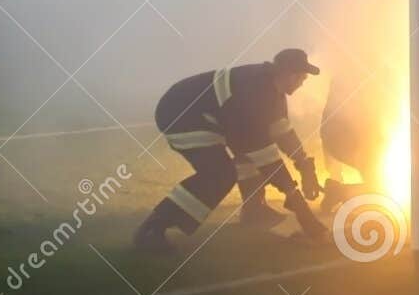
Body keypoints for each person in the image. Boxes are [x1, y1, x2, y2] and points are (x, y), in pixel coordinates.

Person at [133, 48, 329, 253]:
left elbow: (283, 132)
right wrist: (299, 206)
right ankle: (152, 229)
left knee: (246, 157)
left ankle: (254, 210)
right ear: (290, 75)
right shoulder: (255, 93)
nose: (303, 82)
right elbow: (266, 157)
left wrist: (304, 164)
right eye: (303, 77)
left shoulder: (272, 89)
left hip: (203, 114)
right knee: (220, 174)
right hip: (180, 114)